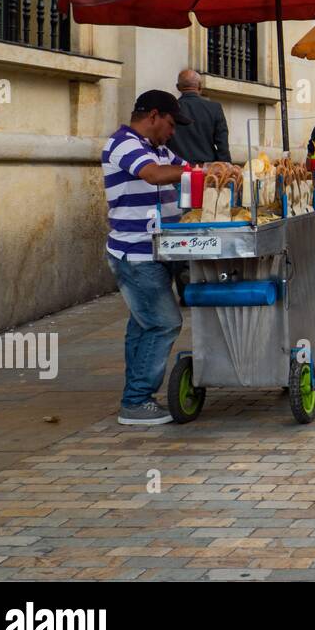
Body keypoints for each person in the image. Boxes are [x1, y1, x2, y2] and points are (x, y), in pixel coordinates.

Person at [102, 91, 193, 426]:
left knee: (142, 325)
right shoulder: (123, 144)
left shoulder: (159, 149)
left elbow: (186, 168)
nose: (172, 133)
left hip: (158, 249)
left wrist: (213, 169)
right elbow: (154, 175)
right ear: (153, 116)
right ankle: (136, 401)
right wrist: (194, 173)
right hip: (136, 253)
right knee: (164, 322)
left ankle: (136, 396)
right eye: (170, 125)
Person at [167, 68, 231, 163]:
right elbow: (222, 145)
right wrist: (226, 168)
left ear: (178, 87)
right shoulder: (214, 108)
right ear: (200, 87)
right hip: (205, 169)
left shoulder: (168, 109)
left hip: (176, 169)